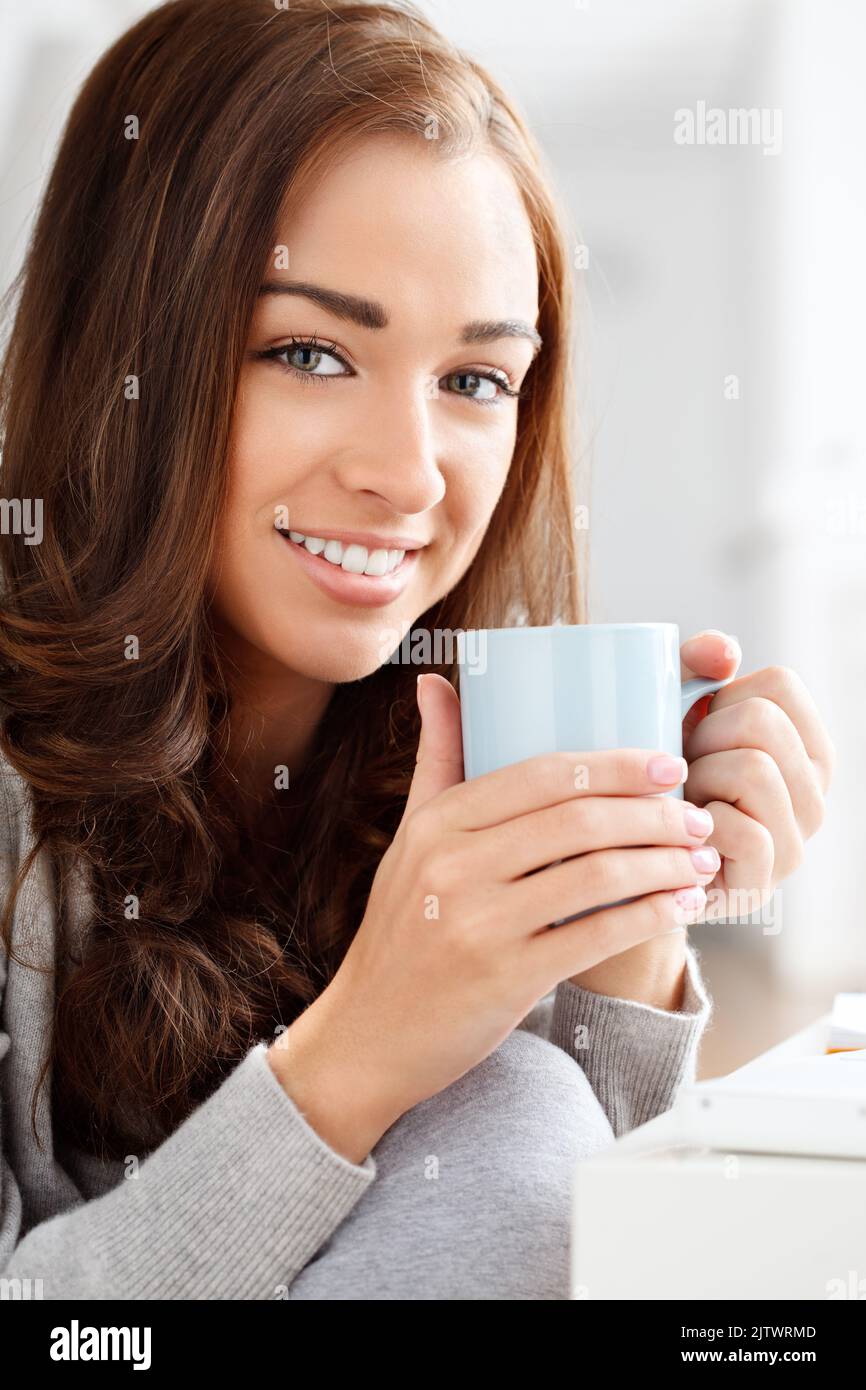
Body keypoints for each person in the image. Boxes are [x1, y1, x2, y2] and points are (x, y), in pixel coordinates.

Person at [0, 0, 834, 1300]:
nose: (406, 475)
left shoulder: (439, 760)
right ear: (126, 350)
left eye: (474, 381)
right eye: (310, 350)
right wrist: (353, 1059)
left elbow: (555, 1252)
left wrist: (626, 947)